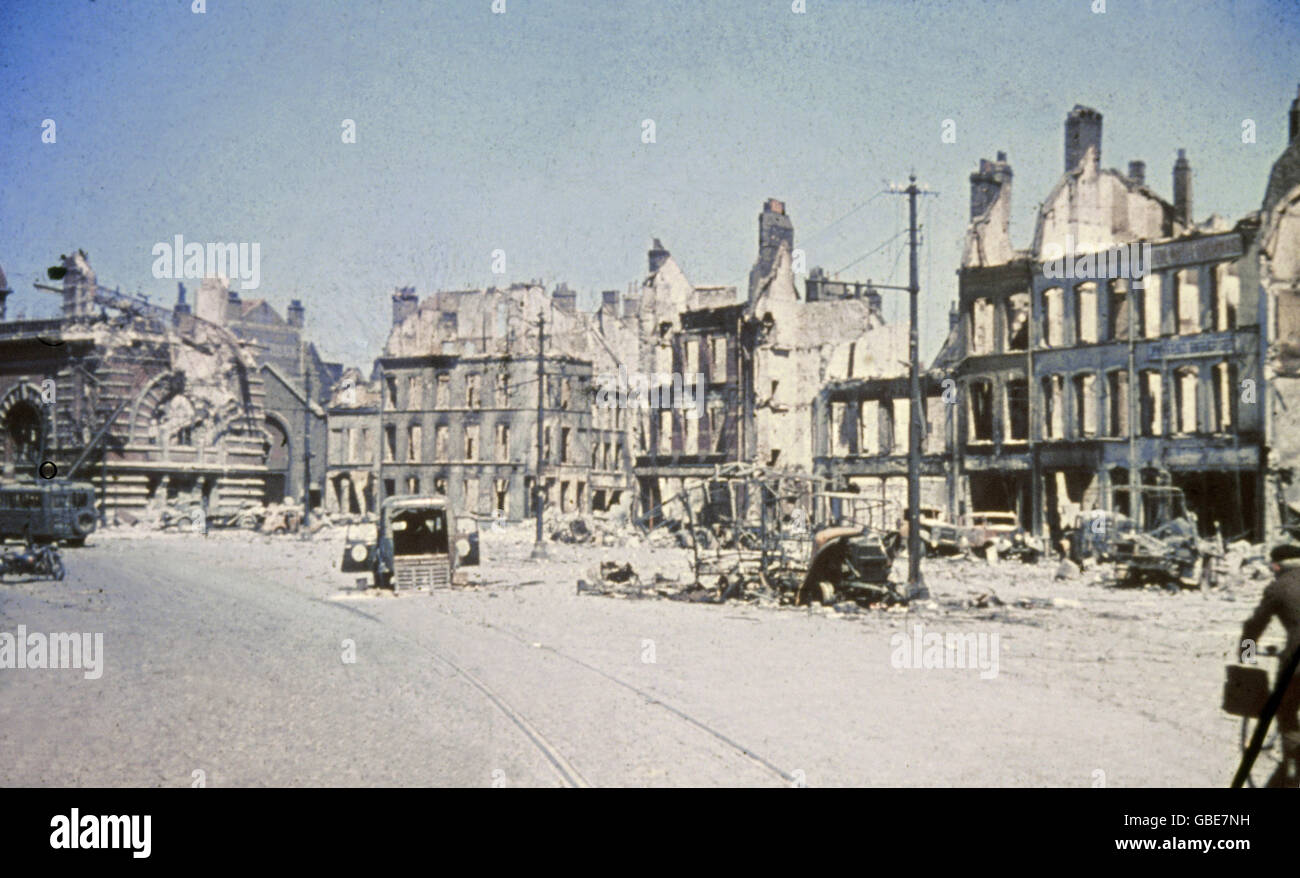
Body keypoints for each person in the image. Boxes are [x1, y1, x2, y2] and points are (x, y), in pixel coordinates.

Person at [1240, 544, 1300, 786]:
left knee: (1286, 712)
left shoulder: (1279, 587)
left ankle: (1293, 773)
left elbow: (1254, 625)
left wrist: (1247, 655)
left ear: (1276, 566)